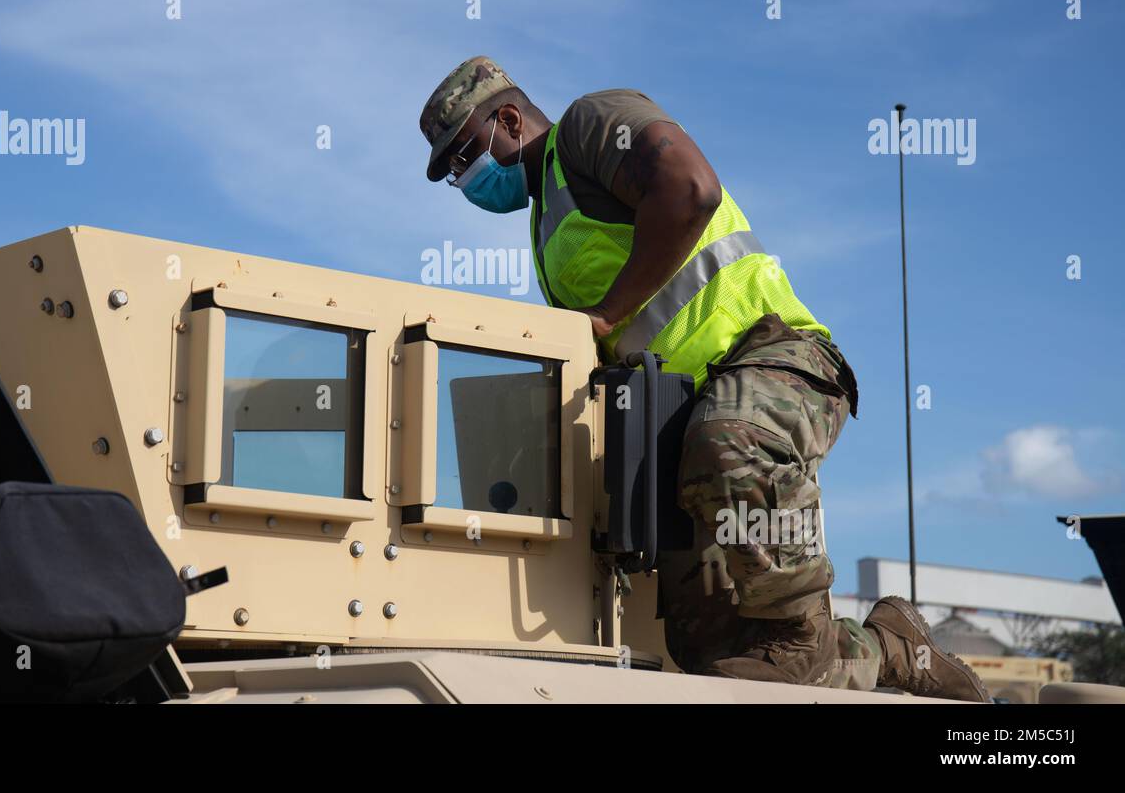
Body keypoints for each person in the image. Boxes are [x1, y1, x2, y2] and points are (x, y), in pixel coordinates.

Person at [417, 55, 988, 700]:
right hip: (687, 431)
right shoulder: (545, 216)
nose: (465, 181)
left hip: (771, 360)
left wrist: (606, 312)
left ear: (509, 119)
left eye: (464, 159)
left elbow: (691, 188)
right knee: (728, 664)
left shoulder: (589, 124)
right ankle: (893, 651)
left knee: (732, 438)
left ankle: (803, 625)